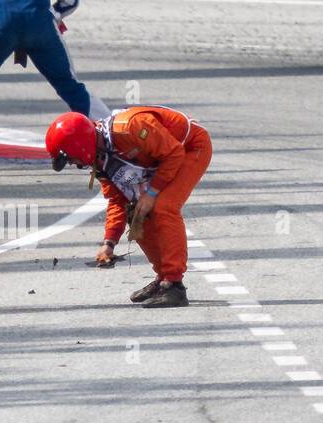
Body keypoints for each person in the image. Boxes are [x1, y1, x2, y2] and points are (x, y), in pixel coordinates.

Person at [46, 106, 212, 308]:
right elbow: (118, 201)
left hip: (191, 147)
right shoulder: (101, 160)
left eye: (70, 159)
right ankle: (163, 279)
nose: (73, 164)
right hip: (163, 158)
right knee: (137, 213)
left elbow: (174, 153)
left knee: (163, 207)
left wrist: (152, 193)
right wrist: (109, 243)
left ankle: (174, 284)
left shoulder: (131, 127)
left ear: (79, 145)